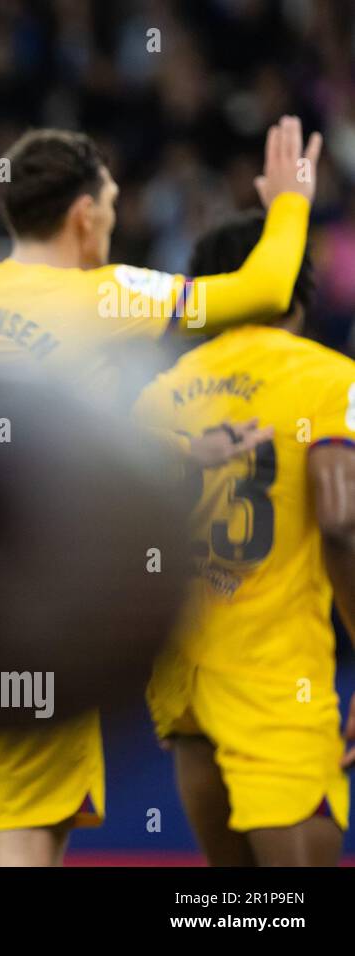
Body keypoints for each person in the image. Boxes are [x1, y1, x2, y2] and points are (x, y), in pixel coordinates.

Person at [0, 115, 322, 866]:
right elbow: (263, 287)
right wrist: (291, 201)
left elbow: (31, 422)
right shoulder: (105, 296)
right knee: (28, 822)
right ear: (83, 214)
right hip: (32, 596)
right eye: (110, 201)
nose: (115, 215)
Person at [135, 211, 355, 866]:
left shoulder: (158, 395)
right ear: (302, 294)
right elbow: (341, 519)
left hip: (185, 678)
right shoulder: (330, 376)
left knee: (237, 908)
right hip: (276, 676)